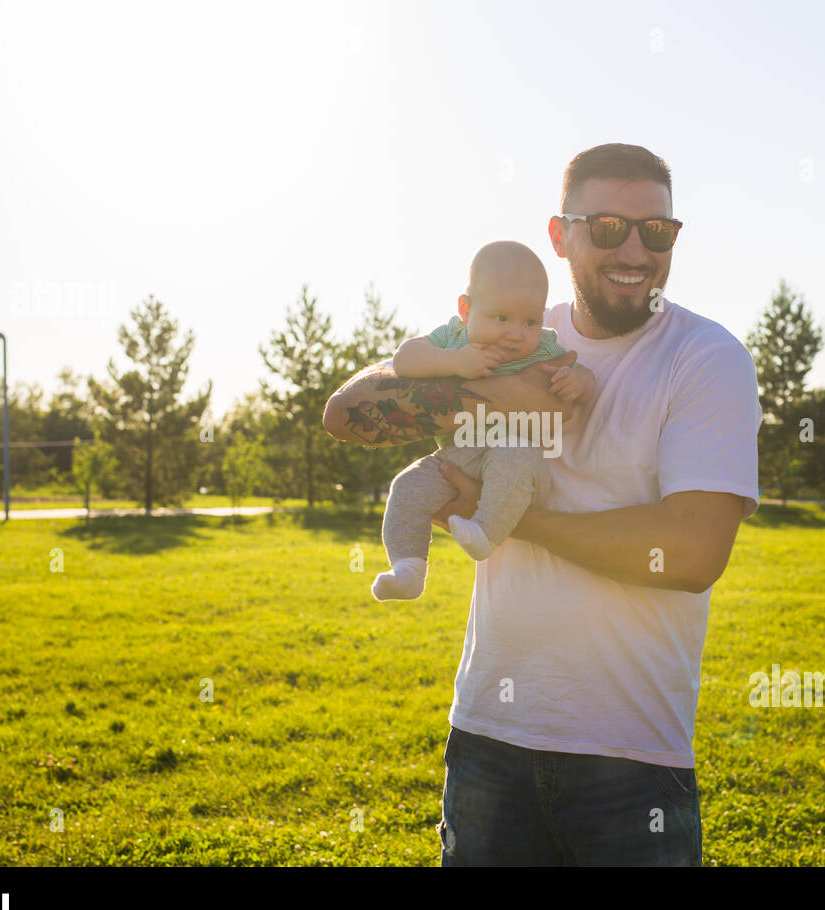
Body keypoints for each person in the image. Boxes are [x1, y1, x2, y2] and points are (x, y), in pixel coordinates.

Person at [323, 143, 760, 866]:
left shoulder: (706, 358)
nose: (635, 251)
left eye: (657, 231)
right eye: (608, 227)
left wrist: (513, 517)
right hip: (488, 737)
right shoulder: (520, 326)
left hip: (630, 759)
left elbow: (690, 553)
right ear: (560, 235)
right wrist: (494, 386)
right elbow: (347, 413)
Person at [371, 240, 595, 601]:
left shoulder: (543, 348)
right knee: (407, 487)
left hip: (520, 458)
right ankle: (408, 568)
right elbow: (405, 359)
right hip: (456, 456)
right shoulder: (453, 338)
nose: (516, 334)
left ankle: (484, 533)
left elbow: (584, 376)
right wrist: (453, 362)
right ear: (466, 309)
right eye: (501, 318)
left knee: (515, 456)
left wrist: (577, 383)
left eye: (530, 321)